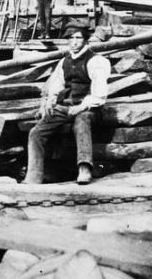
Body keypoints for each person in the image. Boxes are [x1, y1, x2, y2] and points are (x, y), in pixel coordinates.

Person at [26, 26, 111, 186]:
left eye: (78, 38)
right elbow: (57, 84)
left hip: (90, 108)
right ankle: (34, 175)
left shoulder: (96, 61)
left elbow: (99, 94)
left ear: (85, 40)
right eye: (71, 39)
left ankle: (84, 168)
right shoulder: (64, 62)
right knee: (36, 132)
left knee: (81, 122)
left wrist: (81, 107)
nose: (74, 42)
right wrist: (50, 99)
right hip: (66, 107)